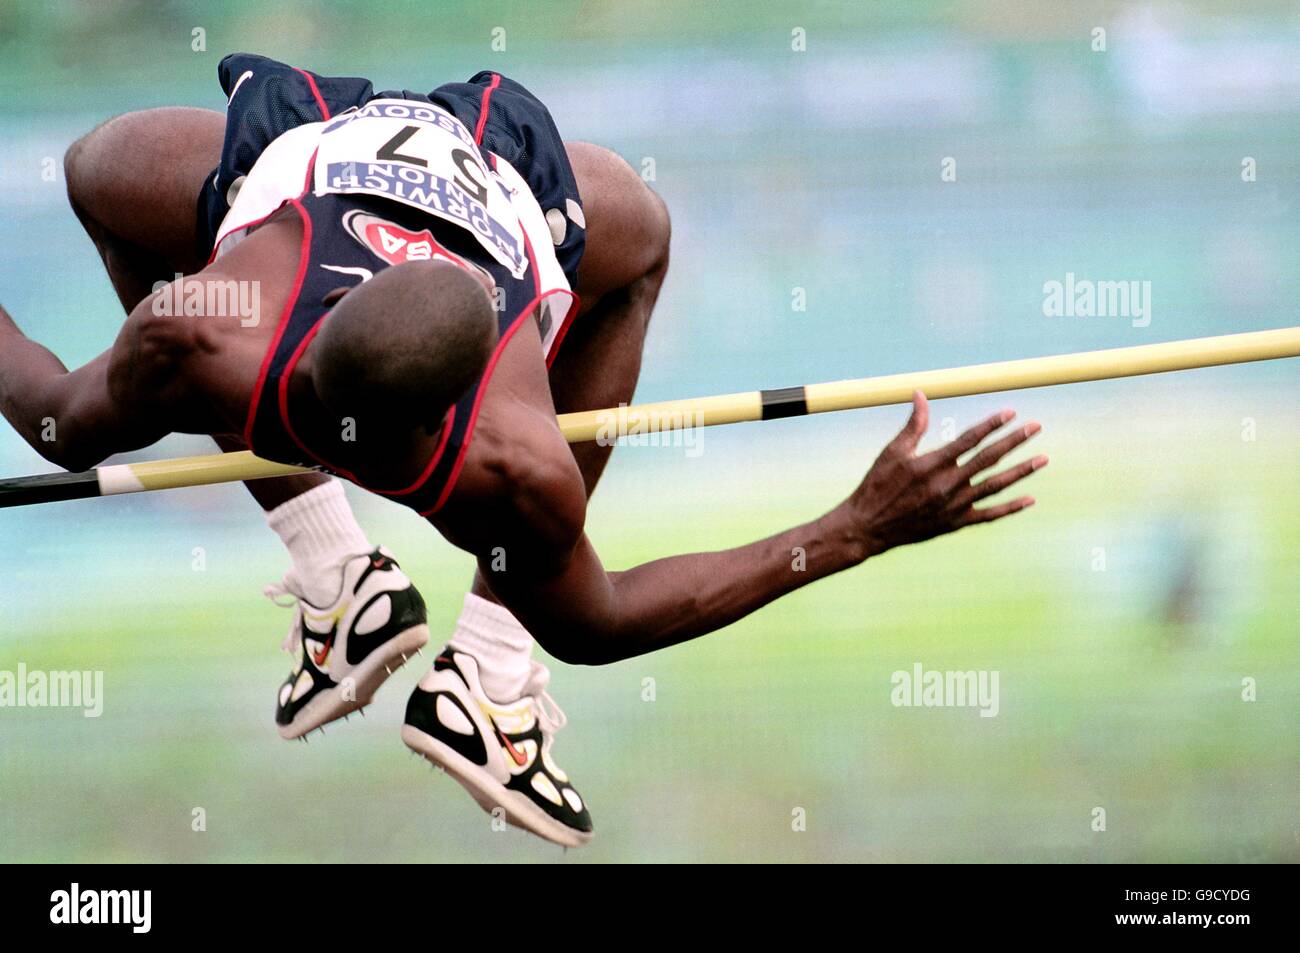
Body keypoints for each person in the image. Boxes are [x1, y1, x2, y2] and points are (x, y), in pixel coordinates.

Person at [0, 55, 1046, 848]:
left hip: (455, 182)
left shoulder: (203, 346)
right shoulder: (479, 453)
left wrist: (861, 525)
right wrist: (858, 526)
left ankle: (479, 672)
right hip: (337, 166)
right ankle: (374, 596)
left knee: (638, 234)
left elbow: (51, 415)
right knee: (102, 168)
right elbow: (599, 618)